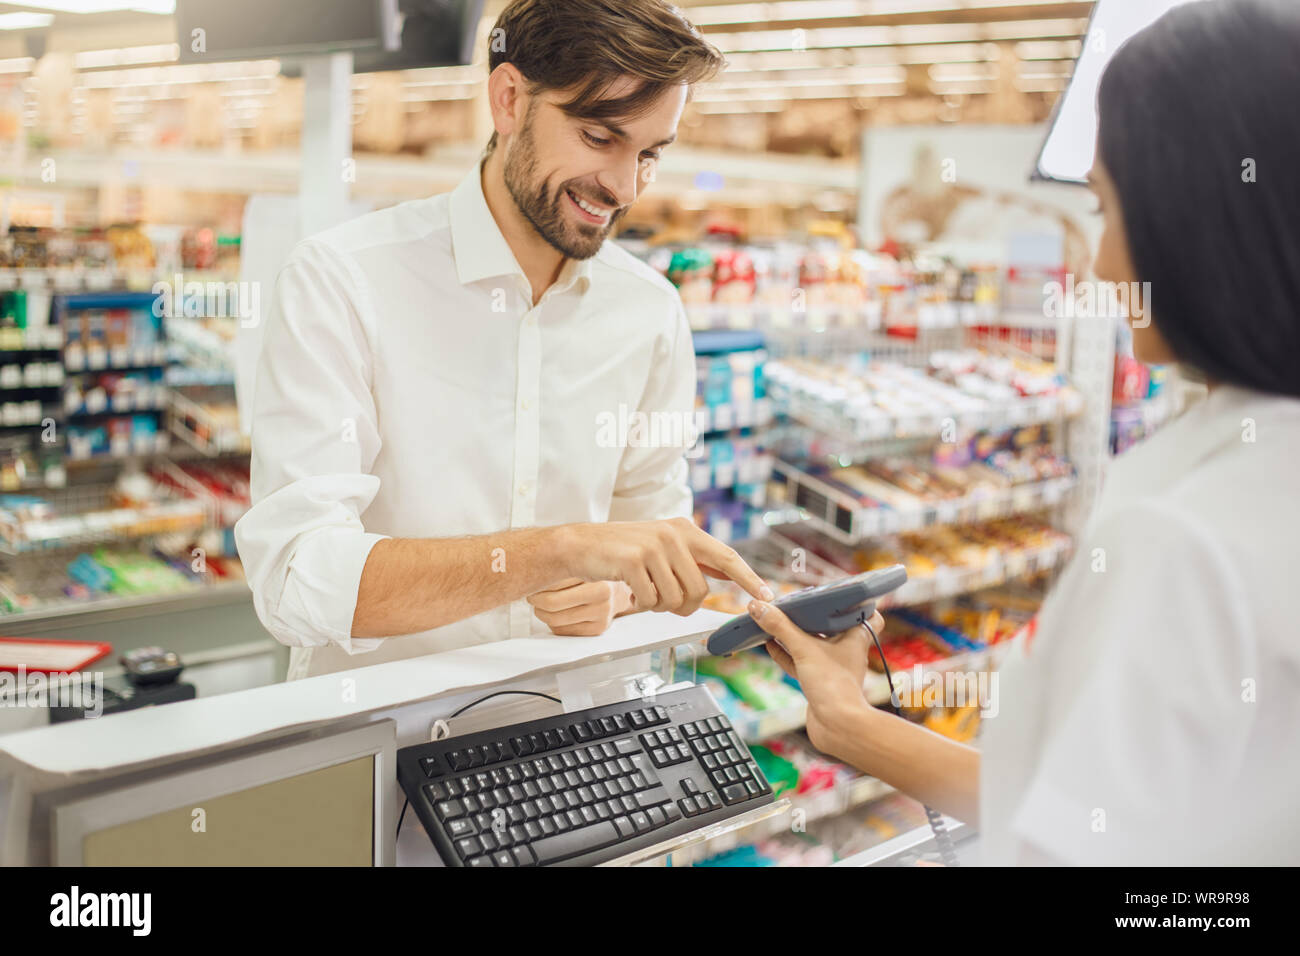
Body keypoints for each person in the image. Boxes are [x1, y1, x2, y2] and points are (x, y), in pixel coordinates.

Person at [744, 0, 1300, 865]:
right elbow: (1094, 811)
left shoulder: (1182, 534)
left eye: (1111, 212)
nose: (1106, 264)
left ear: (1199, 226)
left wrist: (852, 722)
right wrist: (855, 726)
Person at [235, 0, 772, 680]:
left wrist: (616, 591)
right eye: (600, 138)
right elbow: (295, 578)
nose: (623, 187)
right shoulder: (344, 281)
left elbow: (652, 531)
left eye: (650, 154)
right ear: (510, 98)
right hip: (384, 748)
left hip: (576, 738)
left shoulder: (649, 311)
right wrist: (555, 551)